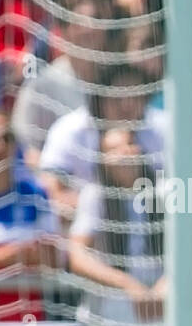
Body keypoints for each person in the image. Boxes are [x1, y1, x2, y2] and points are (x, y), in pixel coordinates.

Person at [66, 127, 166, 326]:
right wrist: (127, 284)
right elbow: (76, 255)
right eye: (115, 149)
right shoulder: (96, 195)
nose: (126, 153)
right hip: (111, 311)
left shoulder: (166, 191)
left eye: (130, 144)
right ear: (103, 159)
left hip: (161, 308)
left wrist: (167, 284)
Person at [40, 62, 167, 225]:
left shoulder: (163, 128)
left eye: (135, 96)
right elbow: (50, 192)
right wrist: (95, 208)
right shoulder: (69, 130)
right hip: (80, 232)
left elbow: (183, 191)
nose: (127, 105)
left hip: (150, 231)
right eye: (118, 96)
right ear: (100, 97)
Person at [11, 0, 108, 167]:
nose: (90, 29)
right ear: (62, 31)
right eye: (79, 22)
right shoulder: (42, 86)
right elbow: (28, 151)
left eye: (97, 19)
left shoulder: (119, 84)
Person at [0, 108, 60, 322]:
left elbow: (52, 256)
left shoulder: (35, 194)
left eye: (6, 138)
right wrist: (17, 253)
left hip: (28, 325)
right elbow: (33, 252)